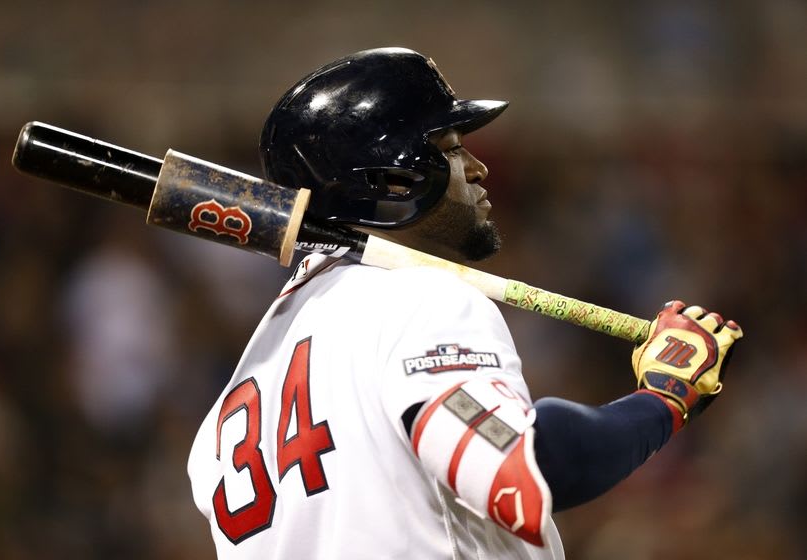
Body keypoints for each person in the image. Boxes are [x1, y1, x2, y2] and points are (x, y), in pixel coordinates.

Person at [187, 47, 742, 559]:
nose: (477, 168)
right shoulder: (414, 299)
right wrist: (664, 398)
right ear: (392, 180)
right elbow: (521, 473)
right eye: (450, 149)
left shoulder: (227, 412)